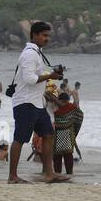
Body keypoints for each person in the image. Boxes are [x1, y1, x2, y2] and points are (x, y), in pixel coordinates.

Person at [7, 21, 69, 184]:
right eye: (44, 35)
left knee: (48, 134)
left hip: (37, 103)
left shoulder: (37, 53)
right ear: (34, 35)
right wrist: (50, 76)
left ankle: (50, 174)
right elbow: (29, 79)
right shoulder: (30, 54)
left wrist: (51, 74)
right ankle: (12, 176)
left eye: (48, 36)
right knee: (20, 139)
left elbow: (36, 75)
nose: (46, 39)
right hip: (26, 102)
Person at [50, 91, 78, 176]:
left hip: (57, 133)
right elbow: (77, 110)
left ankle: (57, 173)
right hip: (68, 133)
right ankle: (69, 173)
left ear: (60, 100)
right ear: (68, 100)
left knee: (57, 155)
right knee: (68, 155)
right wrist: (75, 96)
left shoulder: (55, 109)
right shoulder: (71, 107)